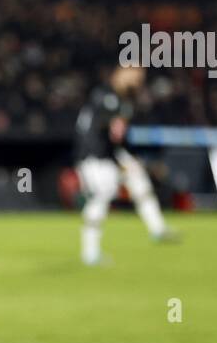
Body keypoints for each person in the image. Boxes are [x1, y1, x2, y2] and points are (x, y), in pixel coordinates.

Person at [74, 63, 179, 265]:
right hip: (96, 155)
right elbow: (114, 131)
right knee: (102, 195)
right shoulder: (110, 98)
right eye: (136, 76)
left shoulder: (114, 98)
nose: (139, 80)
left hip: (107, 153)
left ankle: (157, 228)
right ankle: (90, 252)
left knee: (138, 181)